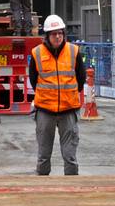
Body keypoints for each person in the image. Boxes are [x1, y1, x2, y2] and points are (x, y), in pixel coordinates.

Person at [27, 14, 86, 176]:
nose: (58, 36)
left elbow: (81, 78)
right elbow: (34, 80)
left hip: (68, 110)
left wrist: (70, 96)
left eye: (60, 33)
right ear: (47, 36)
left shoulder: (73, 51)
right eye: (54, 34)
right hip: (45, 111)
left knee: (70, 156)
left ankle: (72, 191)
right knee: (43, 156)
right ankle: (43, 191)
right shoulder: (37, 53)